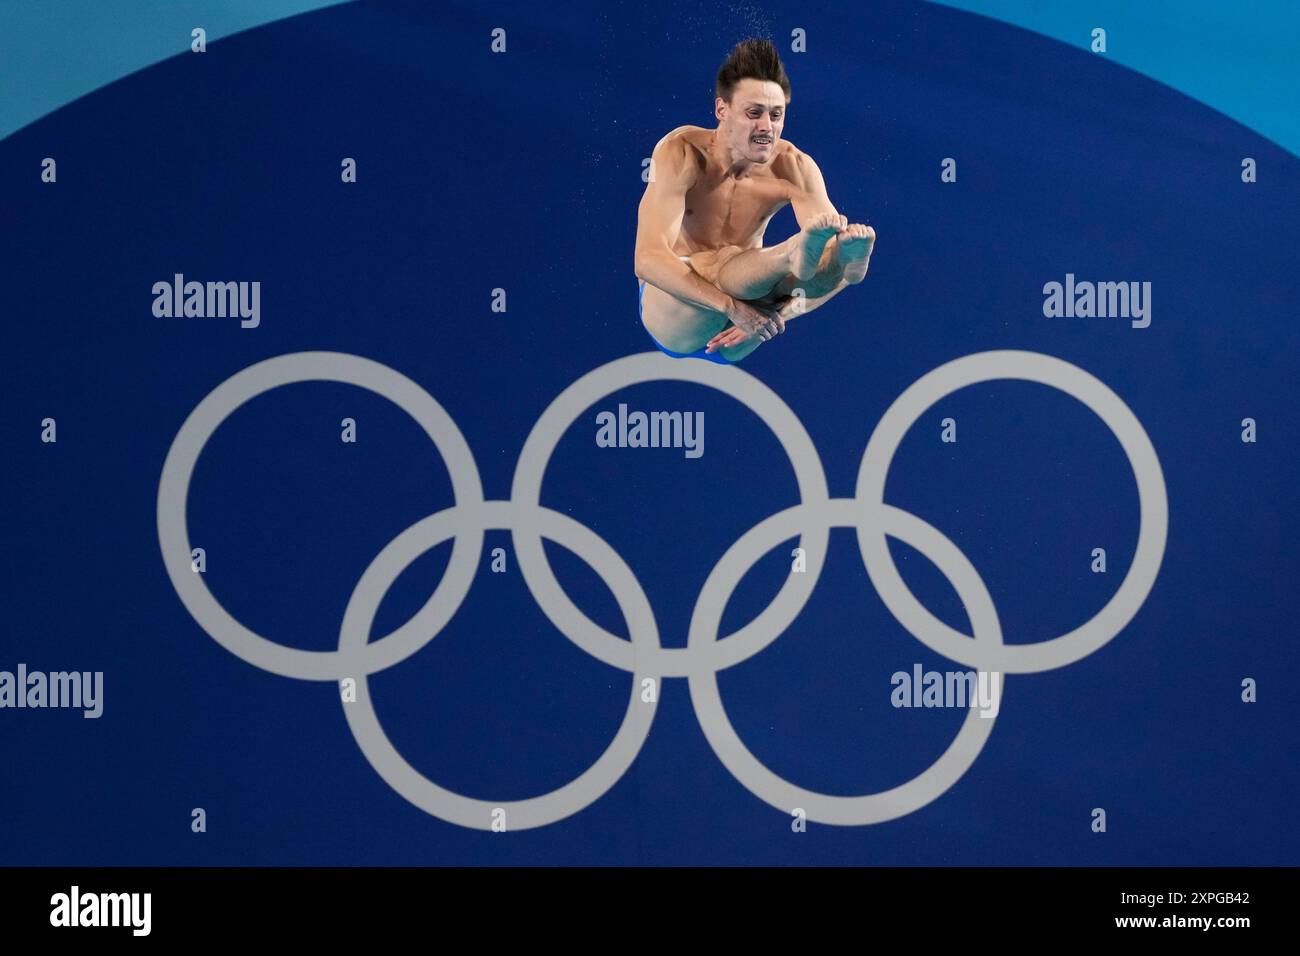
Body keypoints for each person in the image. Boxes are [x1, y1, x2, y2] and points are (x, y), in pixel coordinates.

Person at [634, 37, 876, 364]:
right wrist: (730, 307)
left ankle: (789, 256)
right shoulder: (683, 152)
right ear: (722, 109)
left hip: (747, 320)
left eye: (776, 115)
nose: (767, 127)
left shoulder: (794, 166)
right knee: (718, 261)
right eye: (754, 113)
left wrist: (778, 315)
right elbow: (647, 259)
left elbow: (841, 275)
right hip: (677, 312)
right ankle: (787, 252)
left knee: (830, 258)